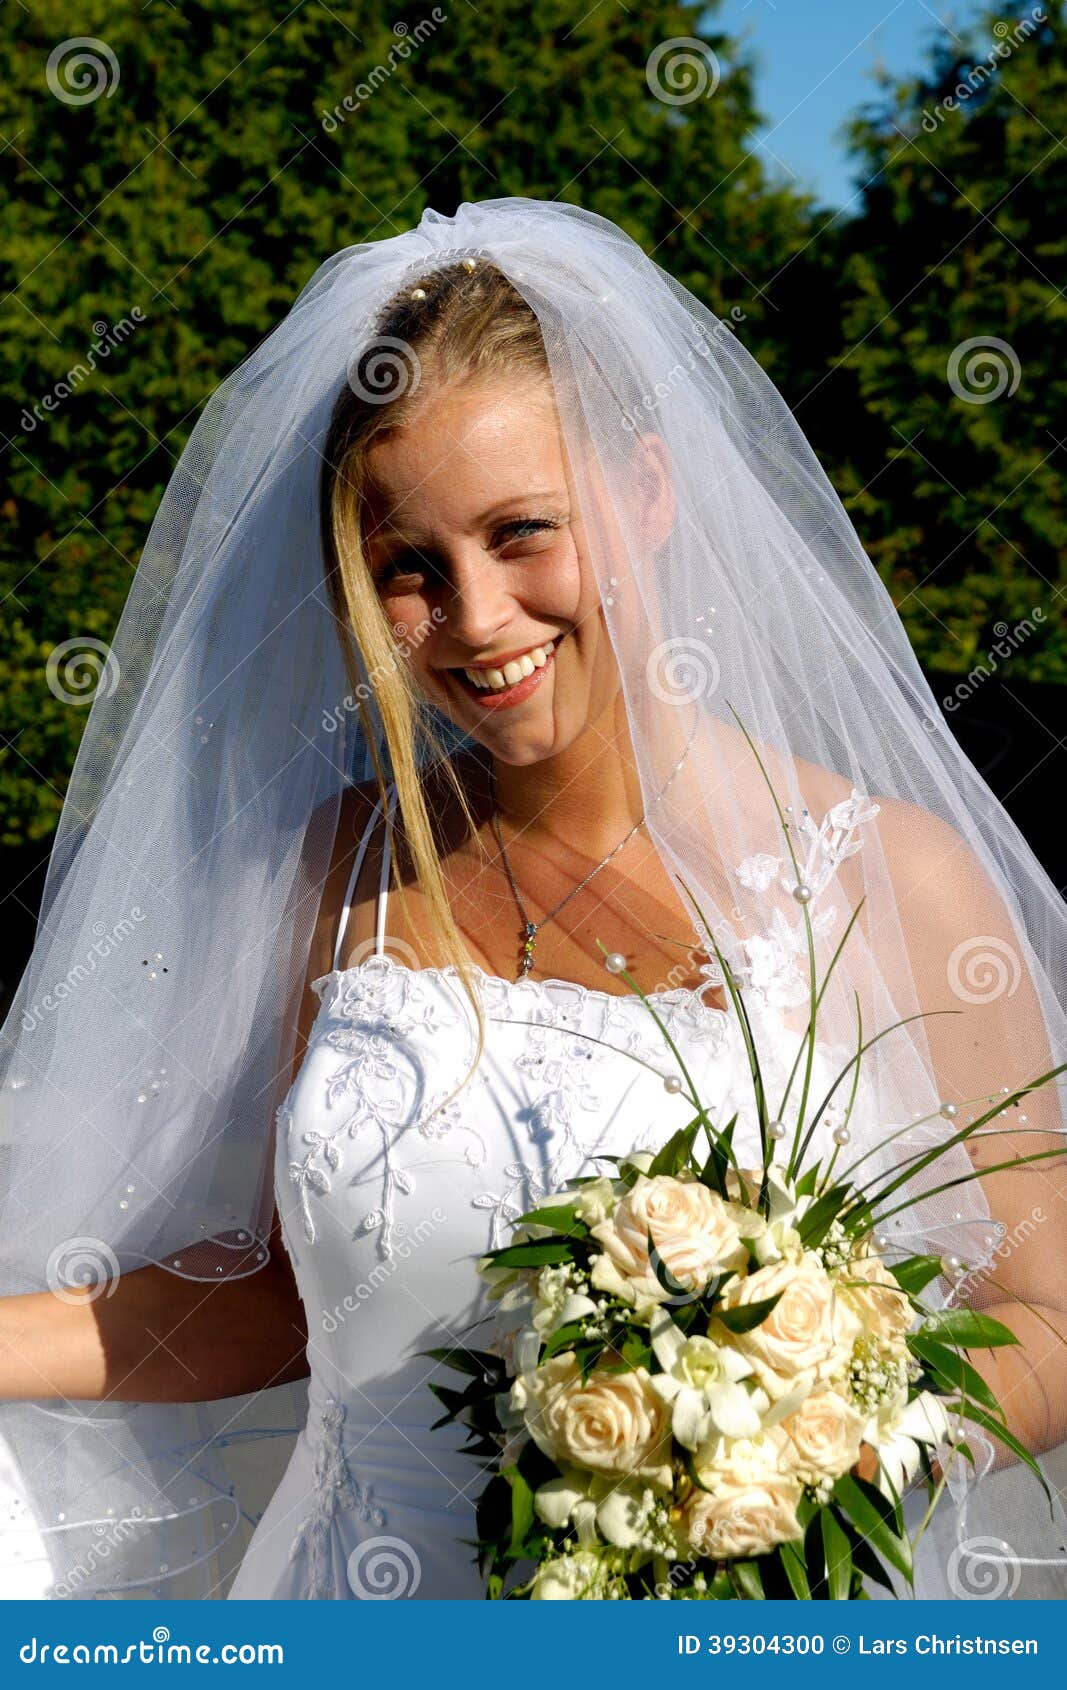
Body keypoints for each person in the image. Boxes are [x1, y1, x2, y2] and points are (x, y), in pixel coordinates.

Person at [1, 198, 1065, 1601]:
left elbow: (1048, 1310)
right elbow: (279, 1302)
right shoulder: (338, 866)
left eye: (523, 532)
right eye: (410, 570)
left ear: (648, 492)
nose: (481, 617)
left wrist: (822, 1432)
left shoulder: (889, 875)